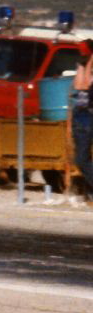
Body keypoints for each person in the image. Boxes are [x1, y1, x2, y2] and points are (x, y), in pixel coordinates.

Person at [71, 40, 93, 202]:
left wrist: (90, 60)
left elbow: (85, 85)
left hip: (88, 115)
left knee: (82, 159)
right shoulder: (85, 67)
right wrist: (80, 64)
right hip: (80, 115)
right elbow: (77, 84)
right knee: (81, 159)